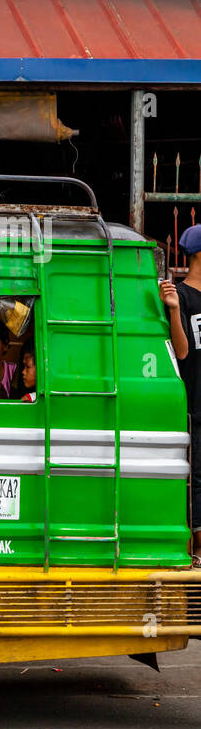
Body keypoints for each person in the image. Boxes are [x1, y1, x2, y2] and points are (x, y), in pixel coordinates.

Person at [161, 228, 201, 556]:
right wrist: (174, 309)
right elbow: (183, 351)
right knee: (196, 477)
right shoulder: (183, 296)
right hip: (196, 405)